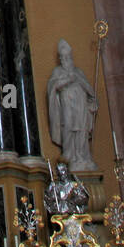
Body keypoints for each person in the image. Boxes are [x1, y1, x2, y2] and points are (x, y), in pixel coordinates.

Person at [46, 39, 98, 169]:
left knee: (81, 129)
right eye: (63, 57)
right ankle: (69, 154)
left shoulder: (78, 72)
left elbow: (88, 89)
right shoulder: (57, 72)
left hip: (80, 105)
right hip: (67, 104)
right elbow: (54, 86)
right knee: (68, 127)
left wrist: (79, 80)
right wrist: (68, 80)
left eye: (68, 57)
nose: (66, 60)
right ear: (60, 58)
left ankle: (82, 155)